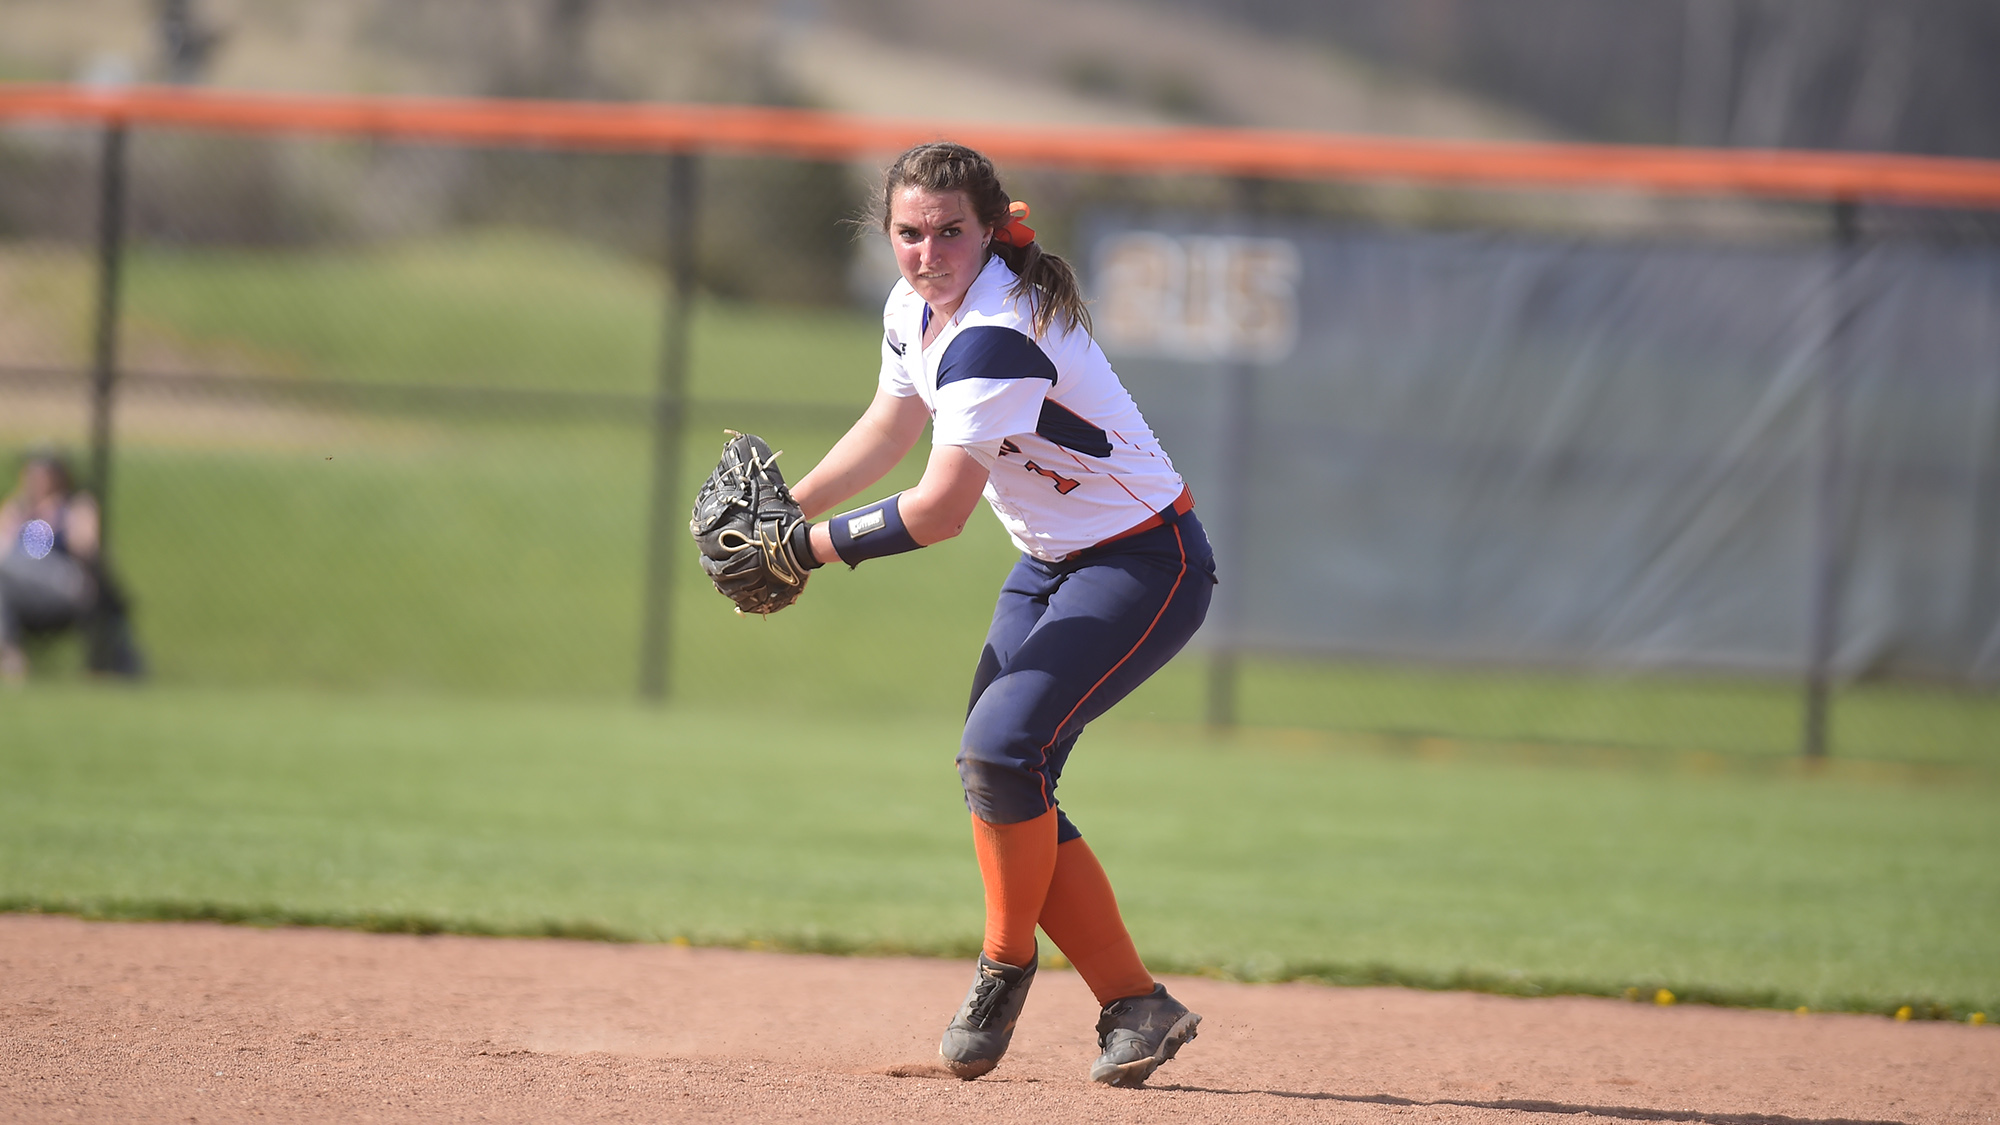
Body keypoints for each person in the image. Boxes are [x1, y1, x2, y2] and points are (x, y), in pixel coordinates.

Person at [784, 142, 1217, 1087]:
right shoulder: (912, 310)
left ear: (987, 232)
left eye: (950, 232)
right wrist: (787, 508)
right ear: (886, 234)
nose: (927, 252)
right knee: (1000, 769)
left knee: (1001, 749)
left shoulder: (995, 331)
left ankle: (1003, 963)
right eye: (909, 233)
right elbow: (889, 427)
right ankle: (1137, 1005)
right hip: (1050, 561)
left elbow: (939, 511)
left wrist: (804, 550)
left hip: (1145, 559)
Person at [0, 451, 144, 683]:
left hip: (66, 584)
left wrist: (62, 517)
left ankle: (10, 657)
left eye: (42, 473)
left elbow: (87, 546)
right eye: (31, 472)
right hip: (26, 591)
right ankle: (9, 655)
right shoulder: (17, 509)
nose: (35, 479)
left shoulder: (75, 506)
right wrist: (20, 513)